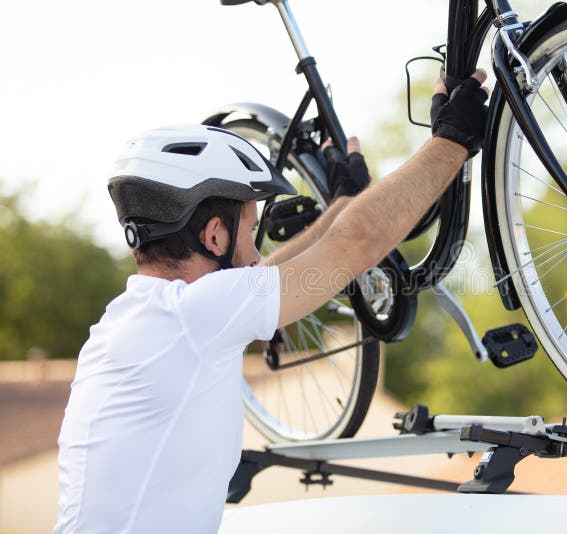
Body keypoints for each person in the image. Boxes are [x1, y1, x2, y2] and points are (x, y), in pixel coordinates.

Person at [54, 70, 490, 533]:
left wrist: (343, 203)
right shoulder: (191, 316)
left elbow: (279, 272)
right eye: (249, 230)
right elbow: (357, 243)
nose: (257, 253)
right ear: (214, 236)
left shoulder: (157, 315)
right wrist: (452, 141)